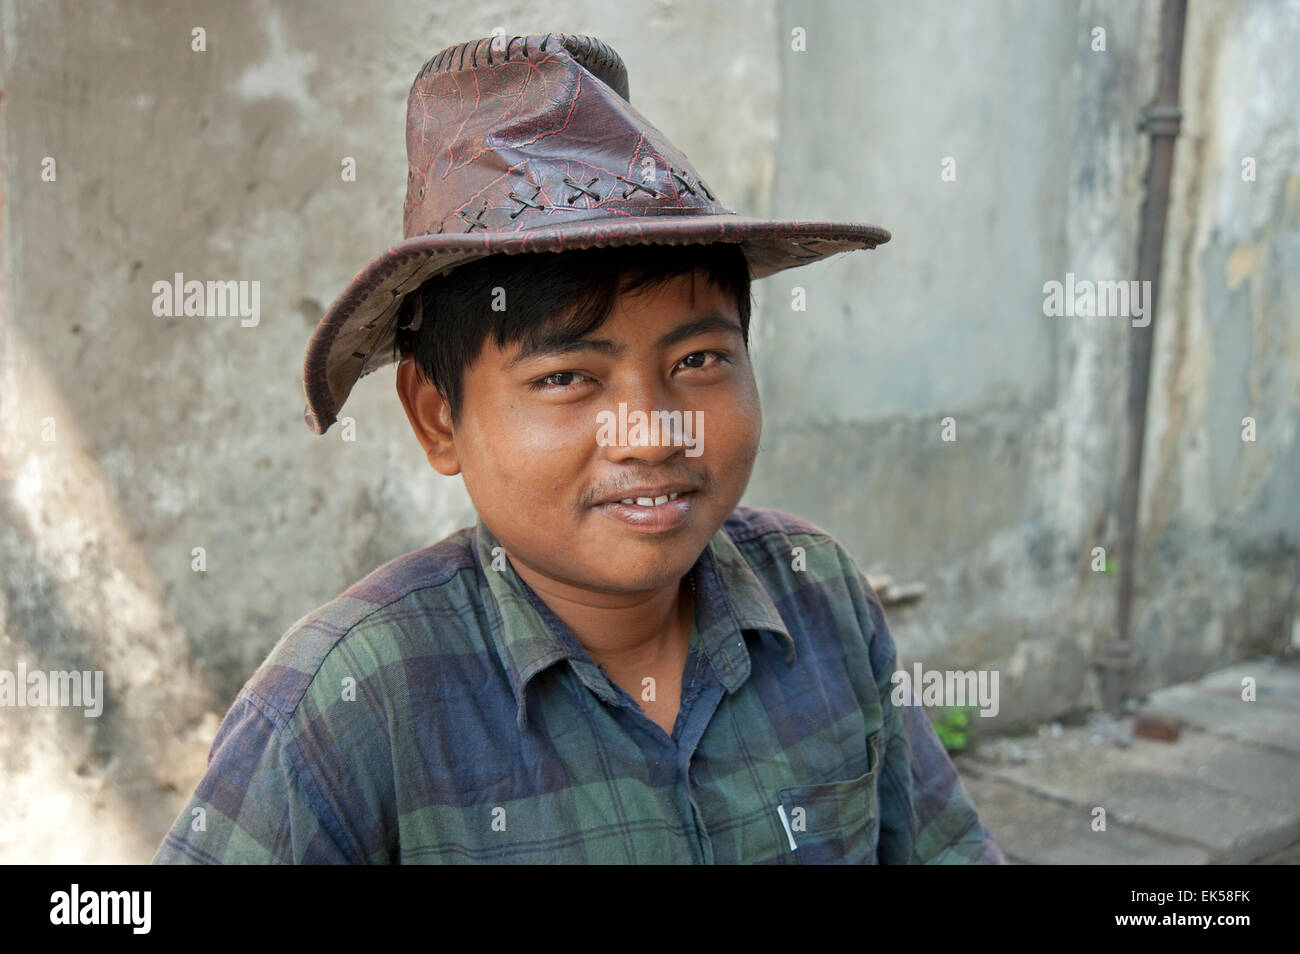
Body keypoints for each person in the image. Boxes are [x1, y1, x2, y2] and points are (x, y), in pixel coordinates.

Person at [153, 31, 1004, 864]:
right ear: (437, 418)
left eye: (698, 361)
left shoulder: (820, 602)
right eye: (567, 378)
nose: (651, 433)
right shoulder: (349, 700)